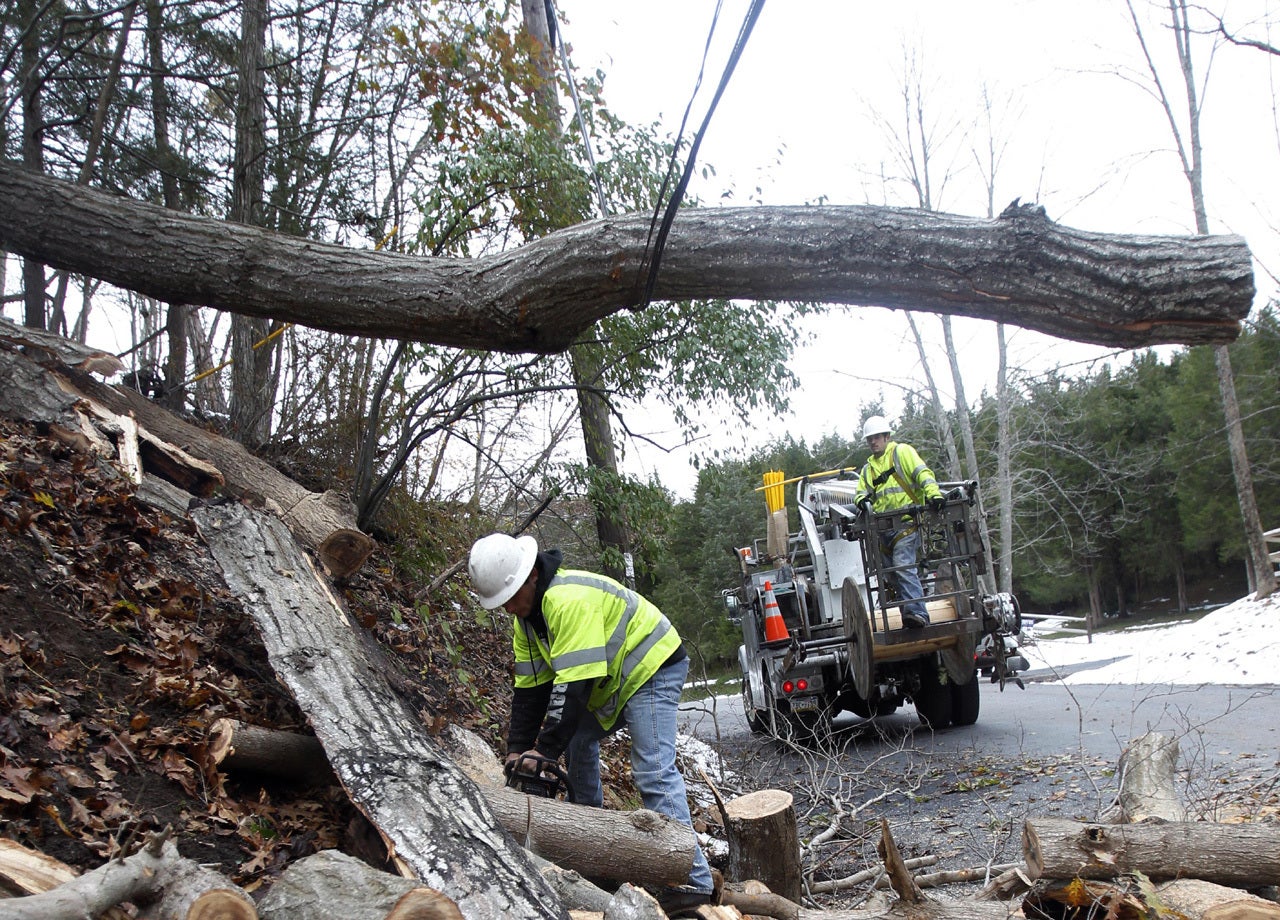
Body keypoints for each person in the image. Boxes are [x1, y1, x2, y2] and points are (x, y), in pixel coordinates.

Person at [467, 533, 716, 916]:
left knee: (652, 768)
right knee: (579, 742)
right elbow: (530, 692)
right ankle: (593, 847)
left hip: (652, 661)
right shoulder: (528, 625)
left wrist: (545, 750)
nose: (510, 609)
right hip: (614, 678)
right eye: (502, 603)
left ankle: (692, 881)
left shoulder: (567, 601)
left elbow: (572, 687)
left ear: (532, 574)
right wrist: (517, 750)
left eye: (512, 597)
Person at [853, 416, 946, 628]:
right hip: (883, 530)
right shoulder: (868, 469)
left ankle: (917, 613)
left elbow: (922, 473)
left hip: (906, 524)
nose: (873, 442)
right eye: (870, 439)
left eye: (877, 437)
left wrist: (934, 494)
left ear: (887, 436)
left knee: (903, 567)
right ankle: (909, 617)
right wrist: (862, 500)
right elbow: (860, 493)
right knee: (892, 576)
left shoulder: (902, 452)